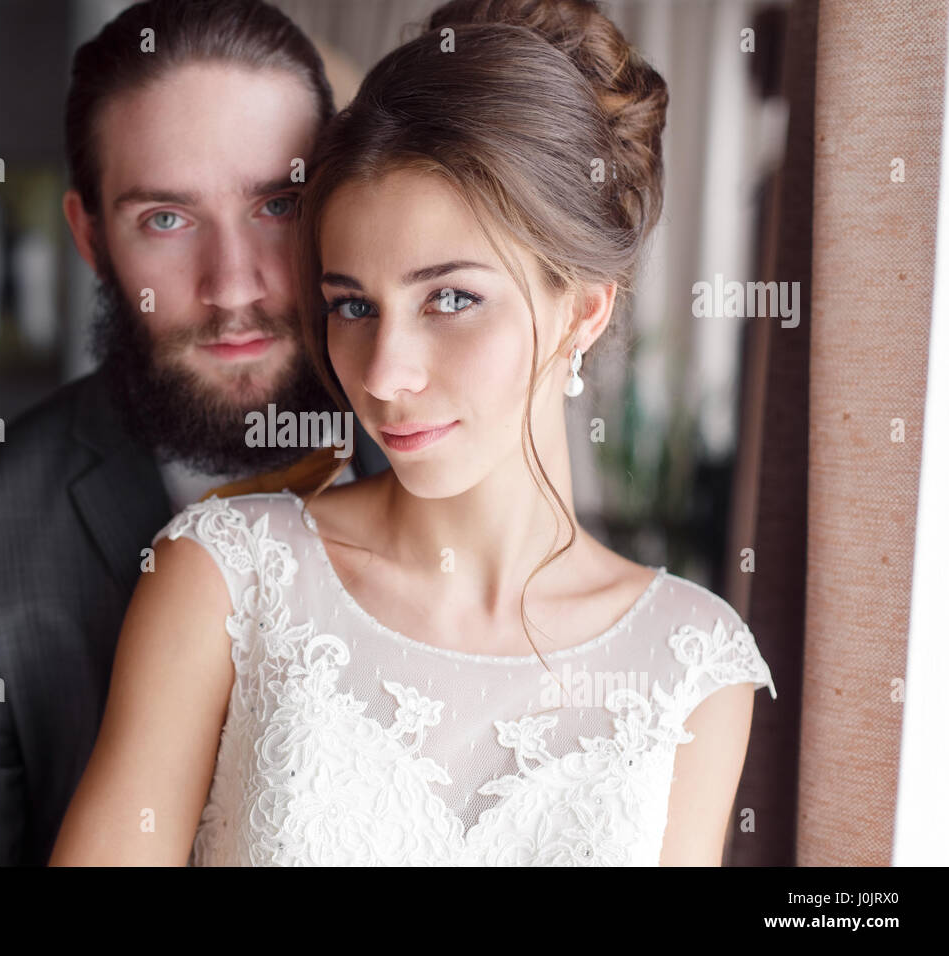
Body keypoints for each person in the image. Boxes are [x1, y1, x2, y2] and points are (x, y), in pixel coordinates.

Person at [49, 0, 777, 867]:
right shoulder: (226, 578)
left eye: (451, 298)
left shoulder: (693, 667)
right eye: (353, 305)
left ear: (582, 310)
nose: (383, 373)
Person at [0, 0, 388, 866]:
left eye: (279, 205)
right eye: (166, 219)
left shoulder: (455, 464)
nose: (232, 285)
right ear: (90, 236)